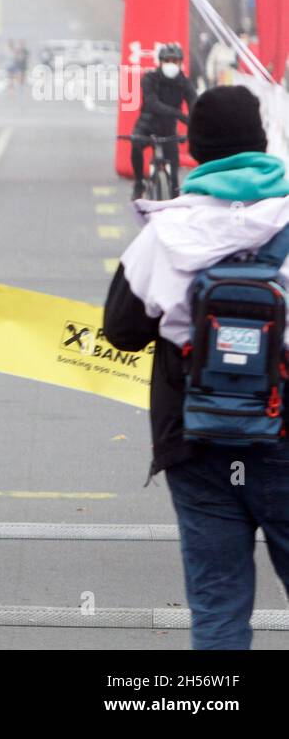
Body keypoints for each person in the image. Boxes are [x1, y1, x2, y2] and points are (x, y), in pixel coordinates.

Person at [103, 85, 289, 649]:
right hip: (283, 441)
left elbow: (122, 330)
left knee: (217, 606)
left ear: (196, 152)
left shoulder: (164, 233)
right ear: (261, 142)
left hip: (196, 441)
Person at [131, 42, 196, 200]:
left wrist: (195, 123)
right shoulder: (150, 78)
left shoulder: (184, 83)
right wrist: (180, 115)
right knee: (136, 144)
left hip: (168, 129)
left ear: (180, 63)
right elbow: (152, 103)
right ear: (160, 62)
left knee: (174, 180)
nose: (171, 65)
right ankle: (139, 182)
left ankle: (172, 201)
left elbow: (195, 103)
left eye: (175, 61)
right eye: (167, 61)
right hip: (147, 125)